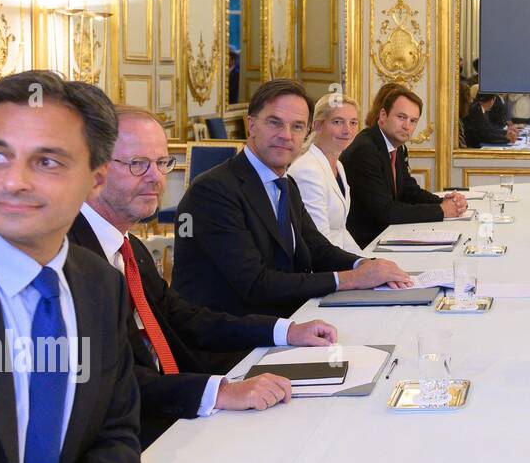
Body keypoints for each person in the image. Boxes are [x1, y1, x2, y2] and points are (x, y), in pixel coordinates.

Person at [70, 106, 341, 446]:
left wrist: (287, 331)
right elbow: (104, 380)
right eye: (138, 164)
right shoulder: (68, 259)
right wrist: (218, 392)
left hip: (176, 406)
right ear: (94, 170)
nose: (156, 178)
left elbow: (187, 319)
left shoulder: (131, 248)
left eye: (162, 163)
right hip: (126, 437)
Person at [0, 71, 140, 463]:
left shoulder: (101, 284)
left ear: (96, 180)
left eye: (47, 162)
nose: (13, 181)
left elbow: (116, 430)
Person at [173, 79, 413, 318]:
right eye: (275, 123)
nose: (286, 135)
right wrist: (350, 279)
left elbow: (317, 248)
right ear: (251, 125)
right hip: (233, 341)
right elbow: (255, 284)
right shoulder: (213, 191)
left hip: (283, 318)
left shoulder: (286, 183)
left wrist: (365, 265)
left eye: (297, 126)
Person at [342, 83, 468, 248]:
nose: (407, 126)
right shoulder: (366, 150)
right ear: (382, 116)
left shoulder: (395, 146)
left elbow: (409, 191)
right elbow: (385, 212)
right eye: (401, 117)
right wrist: (441, 210)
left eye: (413, 121)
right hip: (366, 244)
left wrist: (444, 201)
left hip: (387, 236)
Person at [288, 93, 364, 253]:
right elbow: (320, 240)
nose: (347, 130)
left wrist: (366, 261)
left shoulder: (339, 166)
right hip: (320, 267)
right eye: (337, 122)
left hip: (338, 257)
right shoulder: (308, 170)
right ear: (317, 125)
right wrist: (359, 271)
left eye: (353, 122)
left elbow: (340, 230)